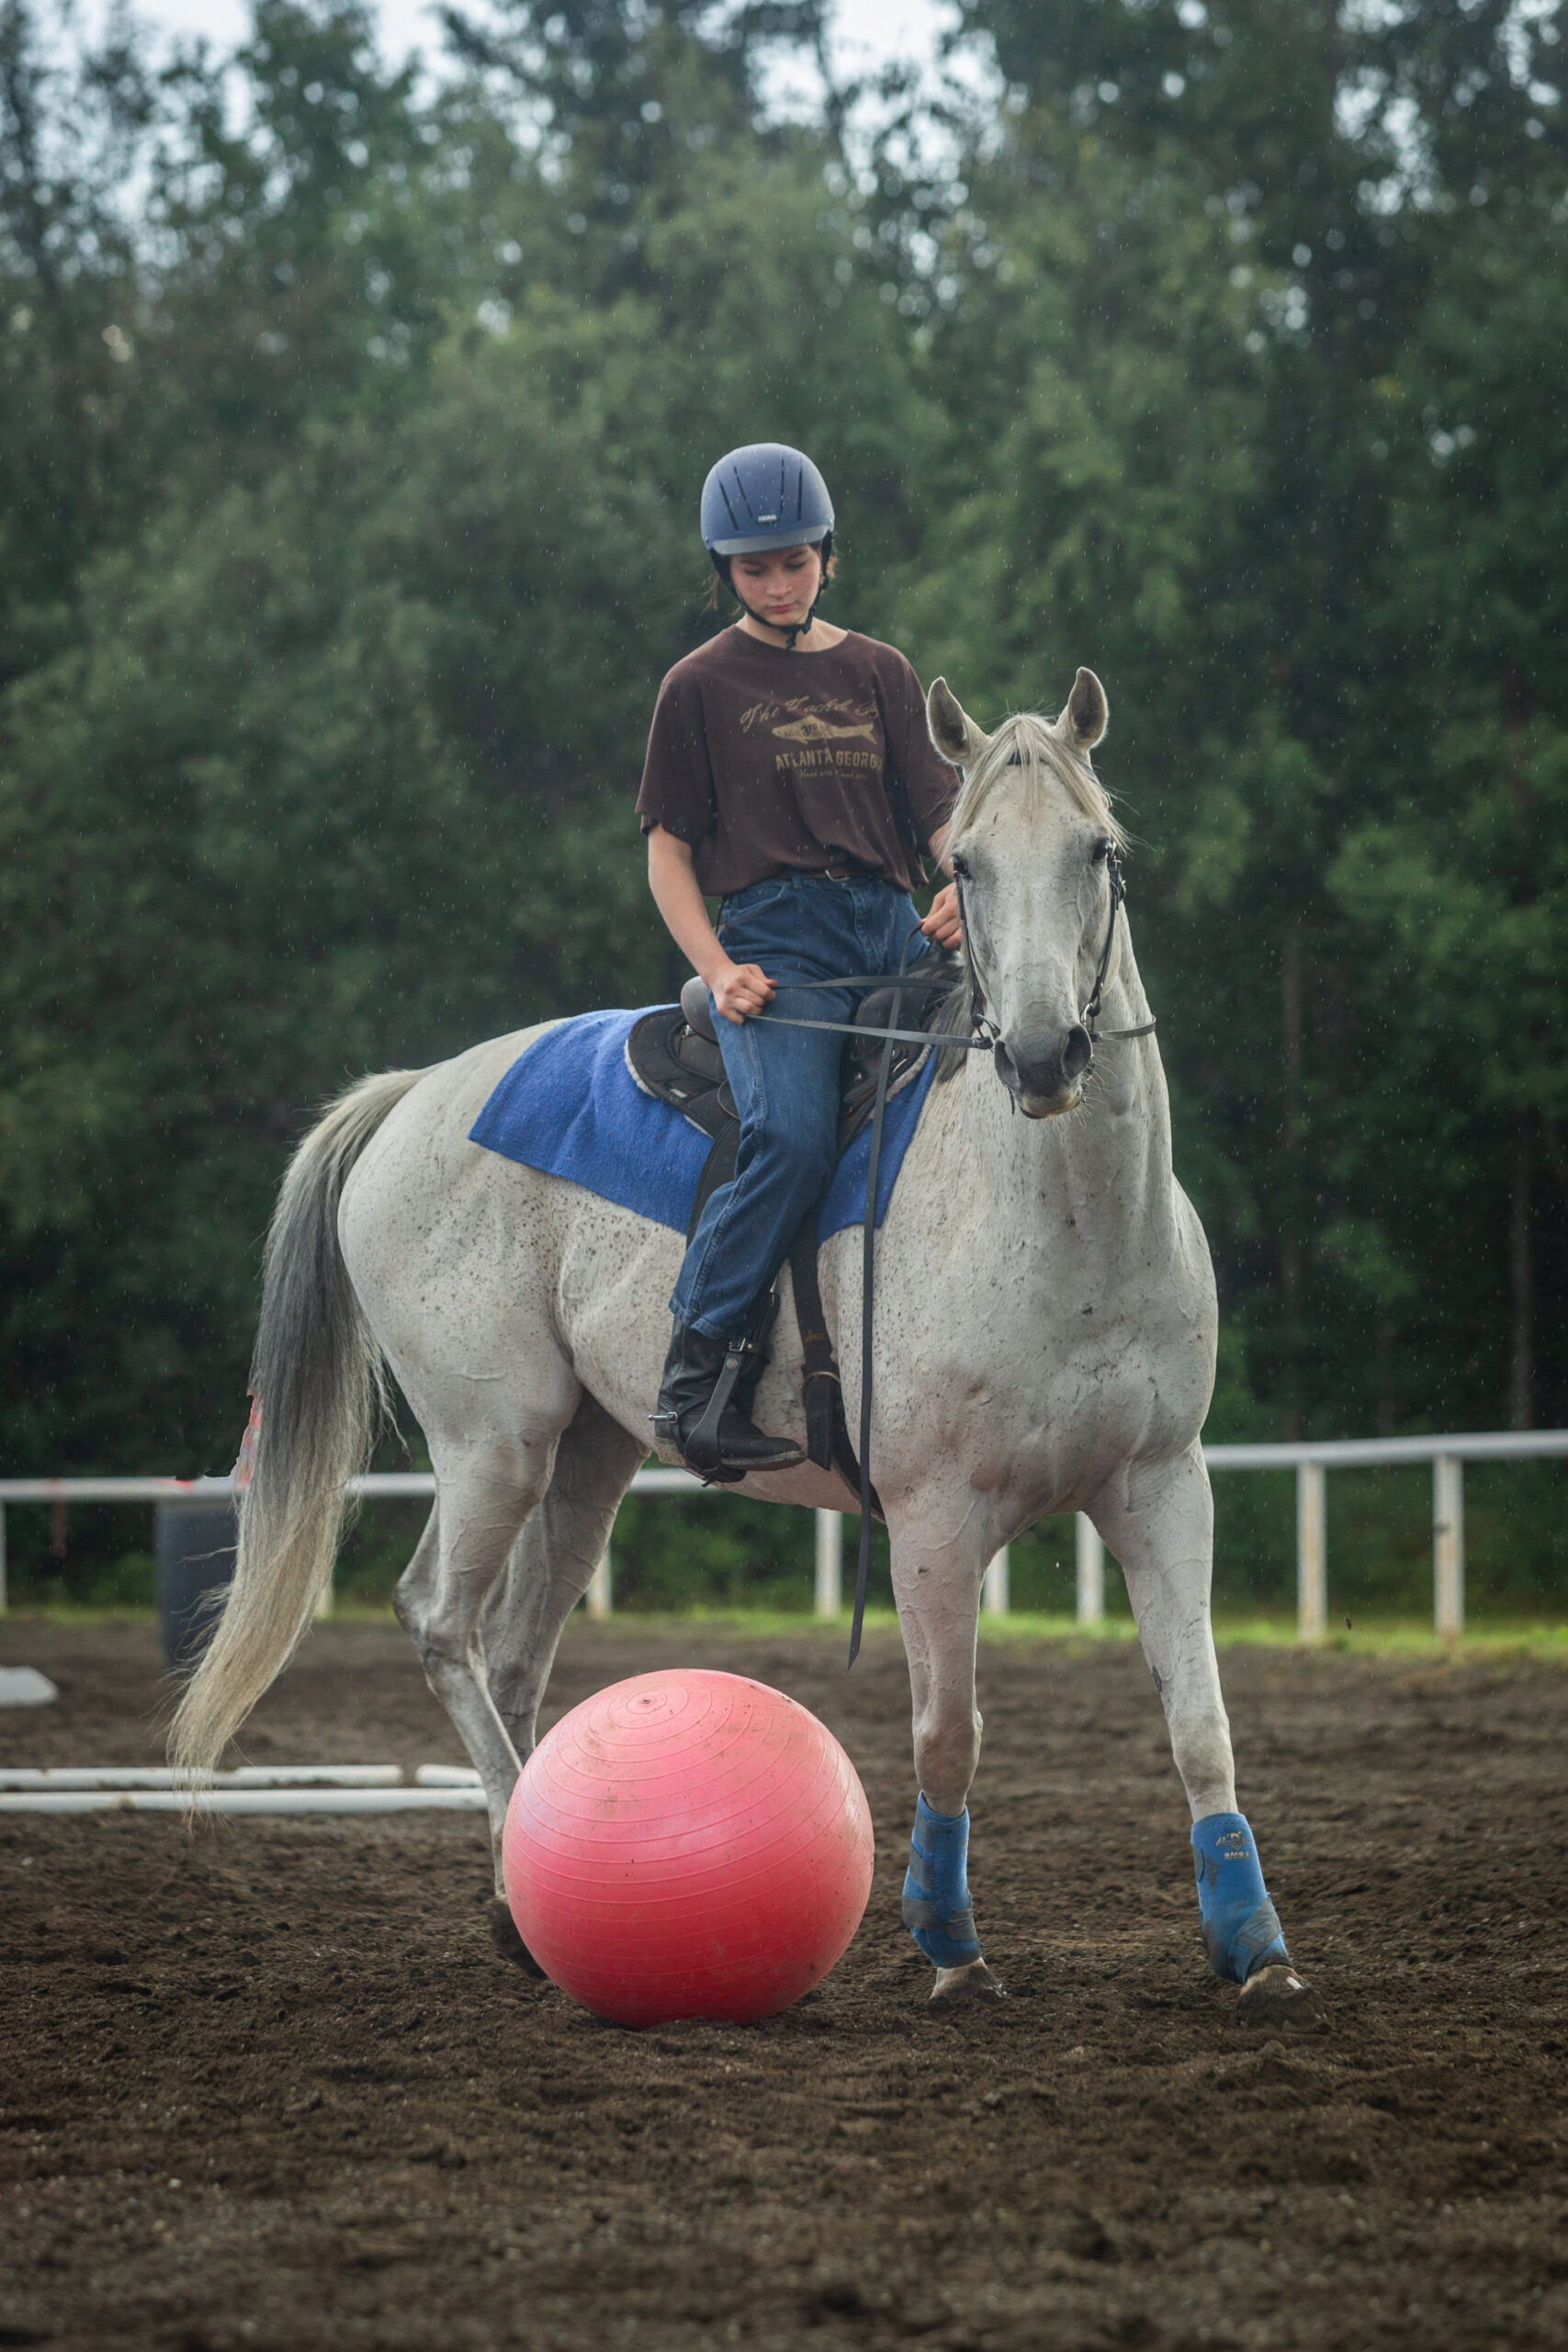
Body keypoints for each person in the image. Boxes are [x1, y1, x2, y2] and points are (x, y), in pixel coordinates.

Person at [637, 441, 963, 1477]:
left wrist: (962, 884)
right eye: (753, 567)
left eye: (794, 561)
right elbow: (668, 854)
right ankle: (694, 1383)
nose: (778, 582)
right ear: (724, 571)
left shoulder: (880, 671)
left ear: (828, 552)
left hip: (893, 929)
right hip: (779, 944)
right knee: (790, 1139)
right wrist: (719, 965)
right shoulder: (696, 685)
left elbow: (942, 815)